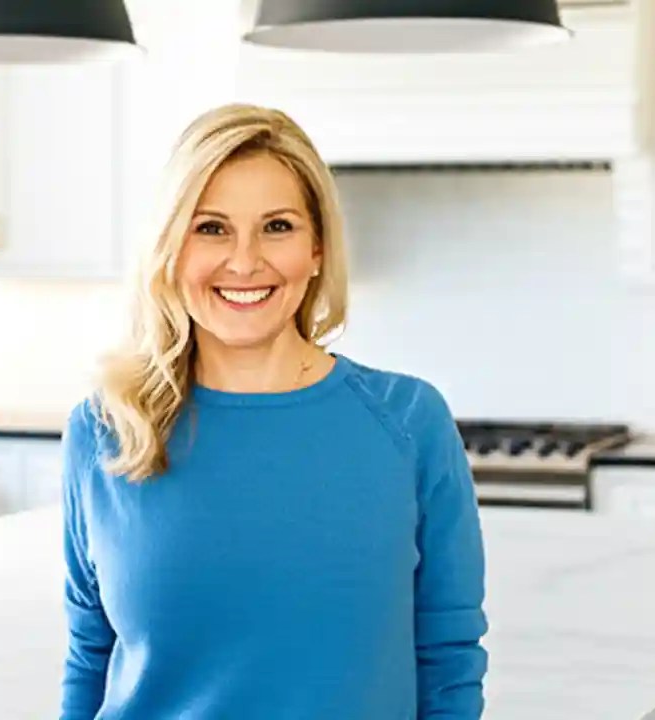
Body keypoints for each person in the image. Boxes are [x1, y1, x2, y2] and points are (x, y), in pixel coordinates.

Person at [59, 103, 489, 719]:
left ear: (317, 248)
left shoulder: (408, 423)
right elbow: (89, 656)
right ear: (171, 248)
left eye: (277, 226)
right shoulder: (106, 429)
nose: (244, 261)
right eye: (211, 228)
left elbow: (448, 663)